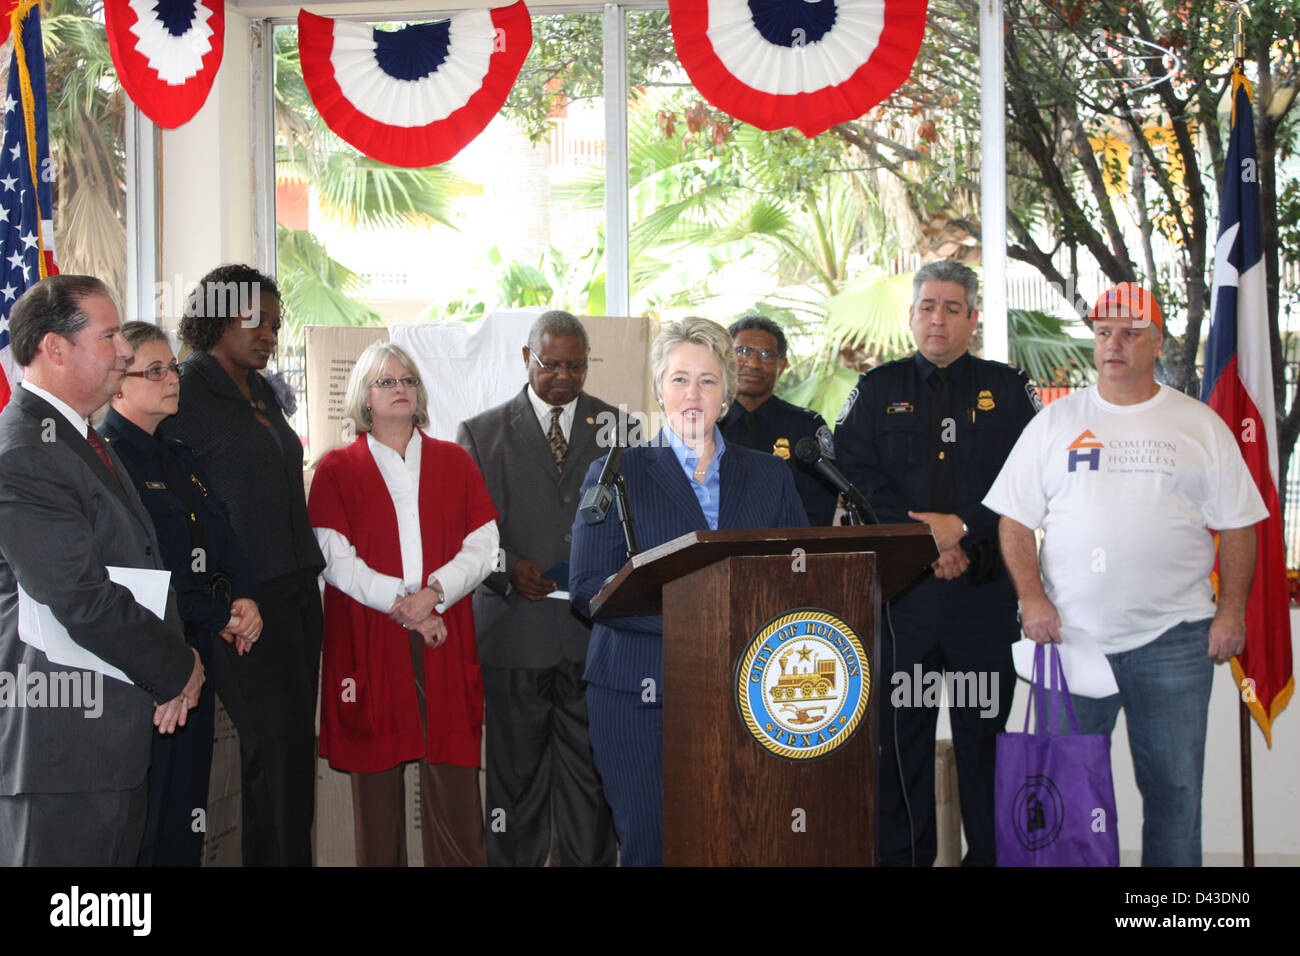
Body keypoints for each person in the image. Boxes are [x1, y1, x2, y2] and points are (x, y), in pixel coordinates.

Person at [984, 283, 1266, 867]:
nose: (1114, 344)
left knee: (1175, 795)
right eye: (1104, 333)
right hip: (1072, 641)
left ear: (1156, 342)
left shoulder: (1199, 425)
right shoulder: (1056, 422)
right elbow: (1013, 521)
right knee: (1064, 792)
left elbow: (1239, 526)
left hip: (1176, 639)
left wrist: (1233, 610)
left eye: (1130, 333)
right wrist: (1032, 601)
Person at [569, 317, 806, 866]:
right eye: (678, 379)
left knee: (745, 839)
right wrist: (697, 619)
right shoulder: (615, 473)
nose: (692, 394)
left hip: (750, 693)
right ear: (658, 388)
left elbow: (799, 578)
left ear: (726, 390)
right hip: (638, 694)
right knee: (653, 846)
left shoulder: (771, 476)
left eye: (706, 379)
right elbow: (585, 587)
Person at [834, 260, 1038, 866]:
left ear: (973, 318)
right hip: (907, 602)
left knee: (986, 748)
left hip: (984, 600)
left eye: (952, 308)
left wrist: (963, 527)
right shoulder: (876, 390)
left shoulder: (1007, 389)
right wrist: (931, 541)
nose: (938, 319)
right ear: (912, 314)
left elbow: (1026, 479)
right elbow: (856, 479)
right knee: (901, 748)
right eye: (928, 306)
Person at [0, 275, 202, 865]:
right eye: (110, 335)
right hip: (62, 746)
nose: (125, 351)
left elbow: (139, 565)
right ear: (55, 348)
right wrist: (178, 667)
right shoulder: (27, 452)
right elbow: (81, 596)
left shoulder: (78, 436)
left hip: (107, 737)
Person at [309, 342, 499, 866]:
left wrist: (433, 594)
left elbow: (485, 545)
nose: (398, 389)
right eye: (385, 381)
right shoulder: (336, 469)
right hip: (370, 638)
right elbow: (334, 559)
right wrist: (406, 605)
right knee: (377, 800)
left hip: (446, 631)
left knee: (457, 791)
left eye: (407, 380)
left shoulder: (454, 461)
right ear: (364, 398)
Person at [167, 264, 324, 866]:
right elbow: (174, 505)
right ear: (216, 318)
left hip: (296, 595)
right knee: (269, 753)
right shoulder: (184, 390)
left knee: (290, 754)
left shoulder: (260, 391)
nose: (268, 336)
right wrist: (219, 592)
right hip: (242, 604)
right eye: (254, 321)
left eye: (276, 326)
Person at [98, 321, 263, 866]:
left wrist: (245, 597)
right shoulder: (107, 460)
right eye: (156, 370)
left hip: (199, 653)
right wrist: (216, 613)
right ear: (117, 383)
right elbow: (144, 571)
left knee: (185, 820)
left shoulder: (179, 455)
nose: (173, 379)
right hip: (147, 665)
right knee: (146, 822)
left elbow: (223, 536)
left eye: (173, 367)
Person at [456, 311, 617, 867]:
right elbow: (466, 534)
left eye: (577, 366)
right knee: (514, 783)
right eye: (552, 365)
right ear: (528, 359)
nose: (565, 377)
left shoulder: (617, 428)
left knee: (588, 784)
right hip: (513, 634)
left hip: (590, 637)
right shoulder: (480, 433)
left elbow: (632, 525)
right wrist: (507, 567)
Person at [719, 313, 838, 524]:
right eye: (743, 351)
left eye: (766, 355)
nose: (753, 363)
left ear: (781, 366)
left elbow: (820, 507)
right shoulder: (705, 426)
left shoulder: (807, 428)